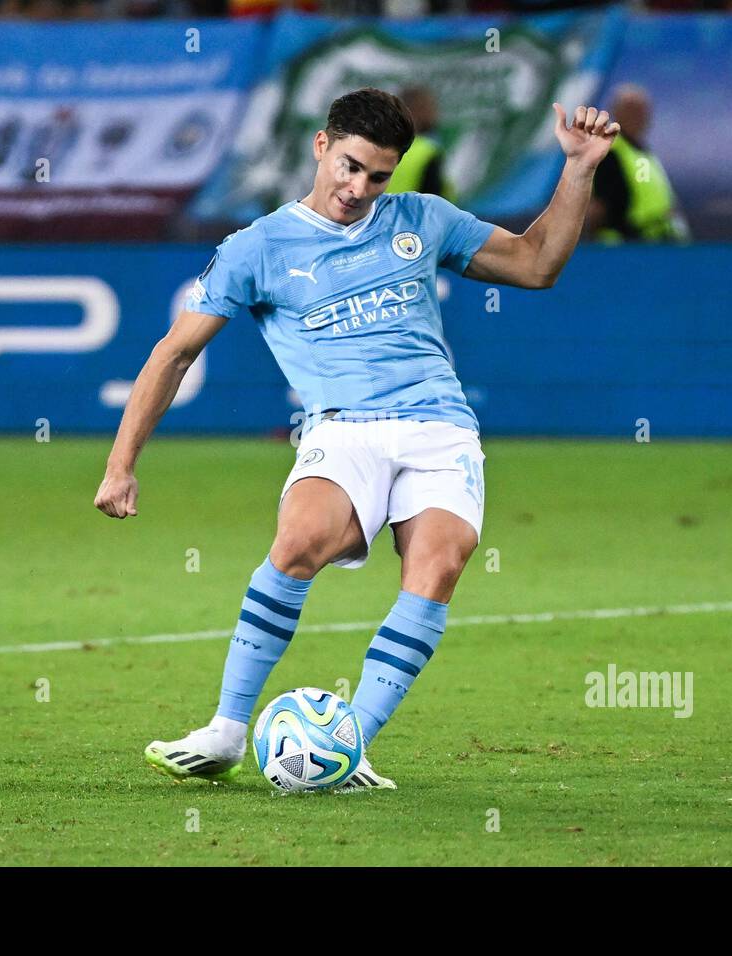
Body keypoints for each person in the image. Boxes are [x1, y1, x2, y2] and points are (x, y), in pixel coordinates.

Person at [94, 87, 619, 790]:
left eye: (377, 176)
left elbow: (535, 264)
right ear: (321, 145)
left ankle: (349, 747)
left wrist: (578, 169)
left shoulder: (421, 219)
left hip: (439, 426)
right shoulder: (257, 249)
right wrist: (121, 465)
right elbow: (172, 354)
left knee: (436, 567)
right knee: (300, 542)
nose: (358, 188)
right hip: (343, 428)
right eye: (349, 166)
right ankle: (224, 730)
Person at [587, 84, 689, 243]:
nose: (641, 117)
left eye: (643, 112)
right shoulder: (609, 153)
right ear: (616, 113)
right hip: (624, 248)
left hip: (652, 243)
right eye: (632, 111)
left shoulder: (640, 151)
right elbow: (600, 206)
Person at [388, 85, 455, 200]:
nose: (435, 115)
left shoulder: (377, 147)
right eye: (430, 108)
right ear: (417, 111)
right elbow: (434, 202)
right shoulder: (427, 151)